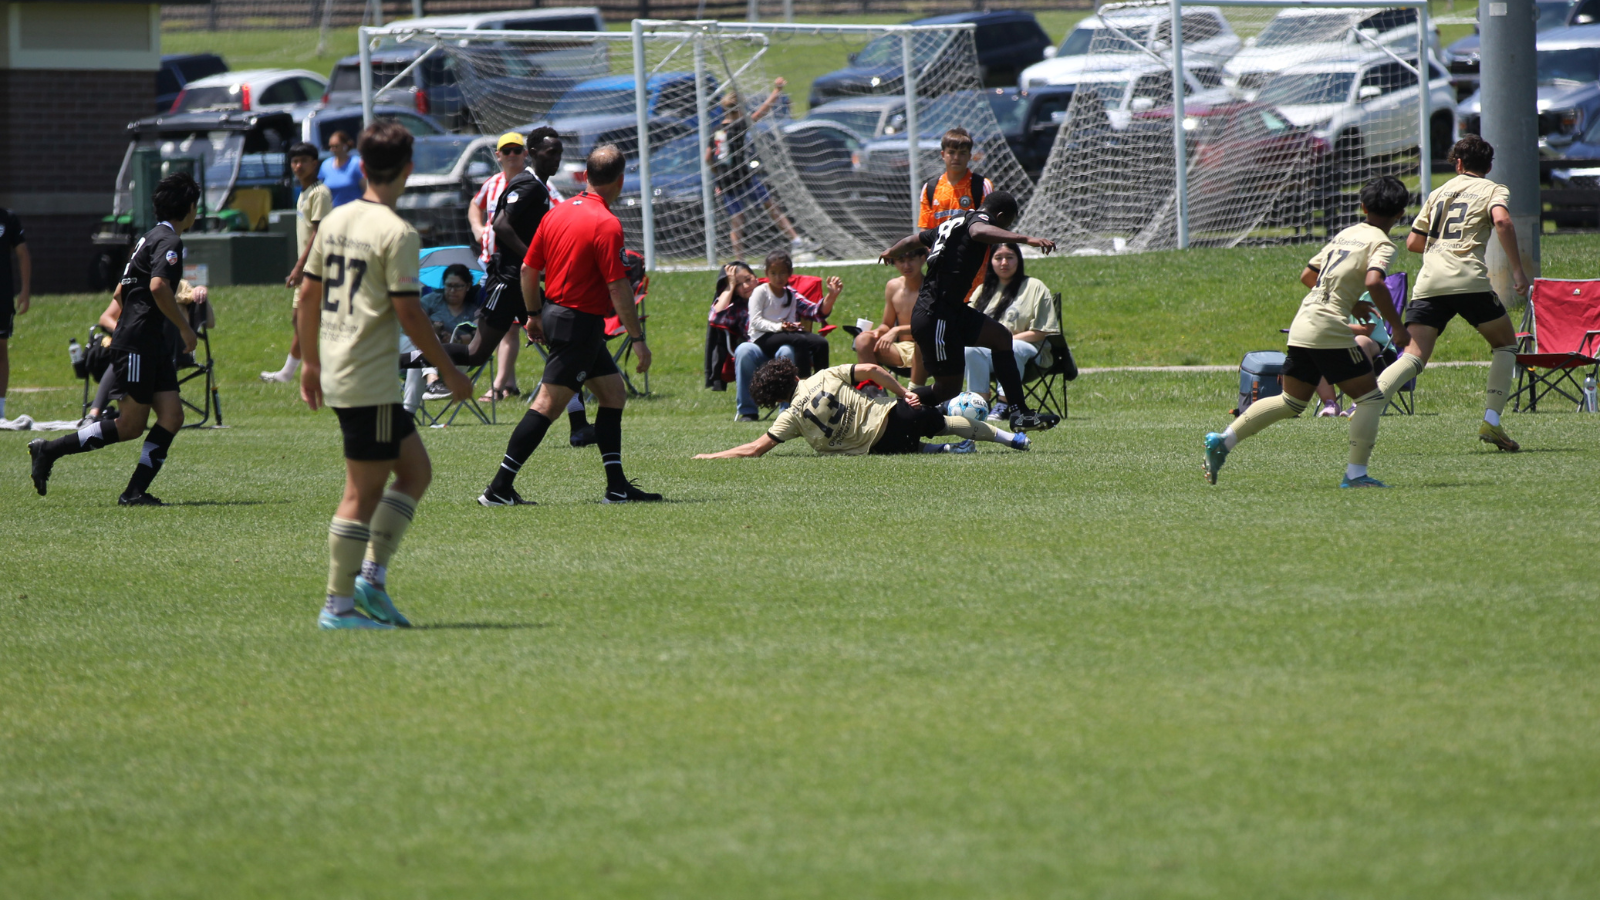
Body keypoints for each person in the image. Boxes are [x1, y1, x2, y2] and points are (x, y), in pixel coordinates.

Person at [297, 120, 472, 630]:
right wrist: (450, 372)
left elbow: (307, 295)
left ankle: (370, 582)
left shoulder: (336, 218)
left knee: (415, 471)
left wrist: (309, 362)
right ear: (409, 170)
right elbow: (411, 314)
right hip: (367, 378)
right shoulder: (398, 232)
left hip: (342, 368)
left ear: (362, 166)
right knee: (361, 493)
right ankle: (338, 607)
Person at [477, 143, 659, 507]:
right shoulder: (607, 223)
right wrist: (637, 338)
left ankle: (618, 488)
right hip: (578, 324)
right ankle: (498, 489)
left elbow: (529, 270)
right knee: (547, 404)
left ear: (586, 176)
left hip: (563, 317)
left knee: (612, 394)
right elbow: (618, 286)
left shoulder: (557, 213)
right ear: (620, 181)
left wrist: (532, 315)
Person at [1203, 176, 1412, 488]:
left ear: (1362, 206)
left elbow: (1307, 275)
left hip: (1303, 323)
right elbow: (1373, 282)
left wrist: (1350, 302)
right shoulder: (1382, 244)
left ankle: (1224, 440)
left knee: (1291, 401)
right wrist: (1397, 327)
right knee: (1370, 398)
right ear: (1400, 214)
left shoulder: (1347, 234)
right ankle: (1356, 475)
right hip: (1329, 329)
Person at [29, 173, 204, 505]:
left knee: (172, 416)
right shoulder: (169, 242)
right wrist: (183, 327)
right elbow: (157, 286)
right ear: (189, 208)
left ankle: (135, 491)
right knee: (129, 425)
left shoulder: (148, 238)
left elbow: (120, 292)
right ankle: (48, 450)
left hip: (147, 343)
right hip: (139, 345)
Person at [1378, 135, 1531, 452]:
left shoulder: (1437, 193)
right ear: (1488, 166)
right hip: (1468, 280)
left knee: (1414, 356)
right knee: (1505, 344)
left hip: (1430, 282)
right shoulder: (1493, 189)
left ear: (1458, 164)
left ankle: (1369, 400)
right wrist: (1517, 271)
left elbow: (1413, 244)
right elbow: (1502, 221)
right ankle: (1491, 420)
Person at [879, 190, 1059, 432]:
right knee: (947, 389)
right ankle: (887, 411)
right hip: (937, 314)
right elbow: (979, 232)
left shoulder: (952, 223)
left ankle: (1019, 413)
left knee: (1000, 337)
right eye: (1007, 224)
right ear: (1001, 216)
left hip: (952, 310)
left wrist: (892, 251)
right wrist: (1026, 239)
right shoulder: (978, 223)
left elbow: (914, 240)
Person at [484, 127, 592, 443]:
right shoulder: (529, 186)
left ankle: (579, 426)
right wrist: (535, 259)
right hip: (507, 281)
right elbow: (500, 224)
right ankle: (407, 363)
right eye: (549, 152)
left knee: (565, 345)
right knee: (476, 353)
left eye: (559, 152)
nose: (556, 158)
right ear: (532, 154)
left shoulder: (540, 187)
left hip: (522, 282)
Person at [693, 359, 1032, 459]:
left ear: (774, 398)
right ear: (792, 372)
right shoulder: (825, 375)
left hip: (878, 448)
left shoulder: (790, 417)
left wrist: (708, 456)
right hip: (895, 416)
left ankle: (945, 450)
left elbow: (754, 449)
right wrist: (903, 392)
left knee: (910, 448)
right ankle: (1010, 439)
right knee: (947, 421)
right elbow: (871, 369)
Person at [467, 131, 536, 401]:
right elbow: (475, 205)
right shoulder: (493, 183)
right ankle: (507, 383)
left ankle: (499, 385)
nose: (511, 156)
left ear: (525, 154)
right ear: (497, 155)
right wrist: (477, 228)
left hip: (516, 269)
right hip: (491, 266)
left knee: (509, 327)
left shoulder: (532, 184)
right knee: (501, 327)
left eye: (516, 151)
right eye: (505, 151)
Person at [88, 280, 212, 420]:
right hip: (138, 348)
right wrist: (125, 332)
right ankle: (94, 416)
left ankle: (97, 414)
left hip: (174, 351)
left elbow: (210, 323)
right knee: (127, 354)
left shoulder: (179, 285)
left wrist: (201, 293)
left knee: (132, 351)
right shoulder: (135, 283)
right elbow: (105, 318)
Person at [962, 242, 1059, 419]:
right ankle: (978, 404)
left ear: (1019, 260)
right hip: (991, 353)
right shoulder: (982, 290)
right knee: (970, 349)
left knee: (1012, 347)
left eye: (1009, 257)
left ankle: (1005, 403)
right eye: (998, 258)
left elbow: (1042, 331)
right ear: (990, 262)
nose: (1004, 262)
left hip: (1030, 352)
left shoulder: (1035, 287)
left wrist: (1006, 341)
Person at [709, 78, 803, 260]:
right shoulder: (739, 125)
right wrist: (776, 91)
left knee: (737, 221)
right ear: (738, 110)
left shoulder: (716, 131)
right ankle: (796, 240)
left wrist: (717, 177)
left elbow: (708, 158)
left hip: (725, 180)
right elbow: (762, 111)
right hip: (743, 176)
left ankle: (739, 259)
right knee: (769, 204)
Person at [263, 142, 332, 383]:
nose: (298, 166)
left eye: (304, 161)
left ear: (315, 164)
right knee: (300, 319)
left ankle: (314, 370)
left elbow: (318, 232)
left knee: (312, 320)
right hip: (308, 266)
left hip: (318, 267)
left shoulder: (319, 193)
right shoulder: (304, 192)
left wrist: (299, 266)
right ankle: (289, 372)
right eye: (294, 161)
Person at [712, 260, 798, 421]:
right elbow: (715, 317)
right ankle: (748, 411)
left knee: (786, 350)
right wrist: (729, 286)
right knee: (744, 349)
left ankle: (788, 411)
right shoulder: (738, 307)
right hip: (757, 352)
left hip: (782, 347)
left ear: (756, 277)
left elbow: (813, 310)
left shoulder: (777, 292)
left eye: (747, 280)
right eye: (738, 284)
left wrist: (831, 297)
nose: (745, 286)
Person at [747, 250, 840, 379]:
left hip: (782, 333)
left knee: (821, 342)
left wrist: (792, 326)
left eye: (782, 273)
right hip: (762, 336)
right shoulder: (760, 292)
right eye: (773, 273)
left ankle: (823, 384)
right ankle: (804, 382)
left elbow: (798, 317)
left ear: (790, 273)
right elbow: (755, 322)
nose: (778, 278)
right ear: (767, 273)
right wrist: (780, 327)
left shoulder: (790, 294)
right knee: (799, 340)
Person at [853, 242, 925, 382]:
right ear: (894, 263)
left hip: (926, 348)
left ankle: (915, 396)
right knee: (863, 340)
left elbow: (932, 326)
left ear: (922, 259)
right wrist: (877, 332)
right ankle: (875, 393)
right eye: (901, 261)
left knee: (921, 345)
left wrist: (897, 330)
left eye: (911, 260)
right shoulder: (893, 287)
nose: (906, 266)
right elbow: (887, 324)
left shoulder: (931, 286)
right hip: (899, 349)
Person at [1312, 296, 1391, 418]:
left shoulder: (1367, 295)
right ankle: (1330, 404)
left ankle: (1361, 403)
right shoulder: (1336, 296)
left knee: (1360, 341)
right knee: (1317, 347)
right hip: (1346, 350)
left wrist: (1333, 325)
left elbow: (1366, 330)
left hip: (1380, 354)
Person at [918, 128, 994, 230]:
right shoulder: (930, 188)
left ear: (969, 156)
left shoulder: (982, 185)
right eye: (951, 152)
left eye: (962, 153)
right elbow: (925, 230)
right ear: (943, 155)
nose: (956, 157)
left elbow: (989, 227)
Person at [0, 205, 29, 423]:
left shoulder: (8, 218)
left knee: (1, 350)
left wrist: (25, 291)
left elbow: (22, 253)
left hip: (2, 296)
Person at [319, 131, 364, 207]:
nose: (332, 149)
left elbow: (366, 189)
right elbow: (320, 190)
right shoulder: (325, 165)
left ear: (345, 145)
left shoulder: (356, 163)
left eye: (336, 146)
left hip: (354, 213)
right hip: (333, 213)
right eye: (330, 146)